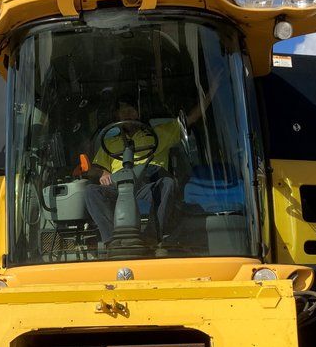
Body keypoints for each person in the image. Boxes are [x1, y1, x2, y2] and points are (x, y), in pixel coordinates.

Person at [85, 79, 220, 244]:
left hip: (150, 182)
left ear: (139, 113)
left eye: (132, 110)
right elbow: (93, 169)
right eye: (123, 111)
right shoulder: (110, 142)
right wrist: (103, 172)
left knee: (168, 184)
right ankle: (112, 240)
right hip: (120, 185)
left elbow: (191, 118)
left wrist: (213, 89)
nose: (128, 114)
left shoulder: (158, 133)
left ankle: (151, 237)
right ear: (117, 116)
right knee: (91, 191)